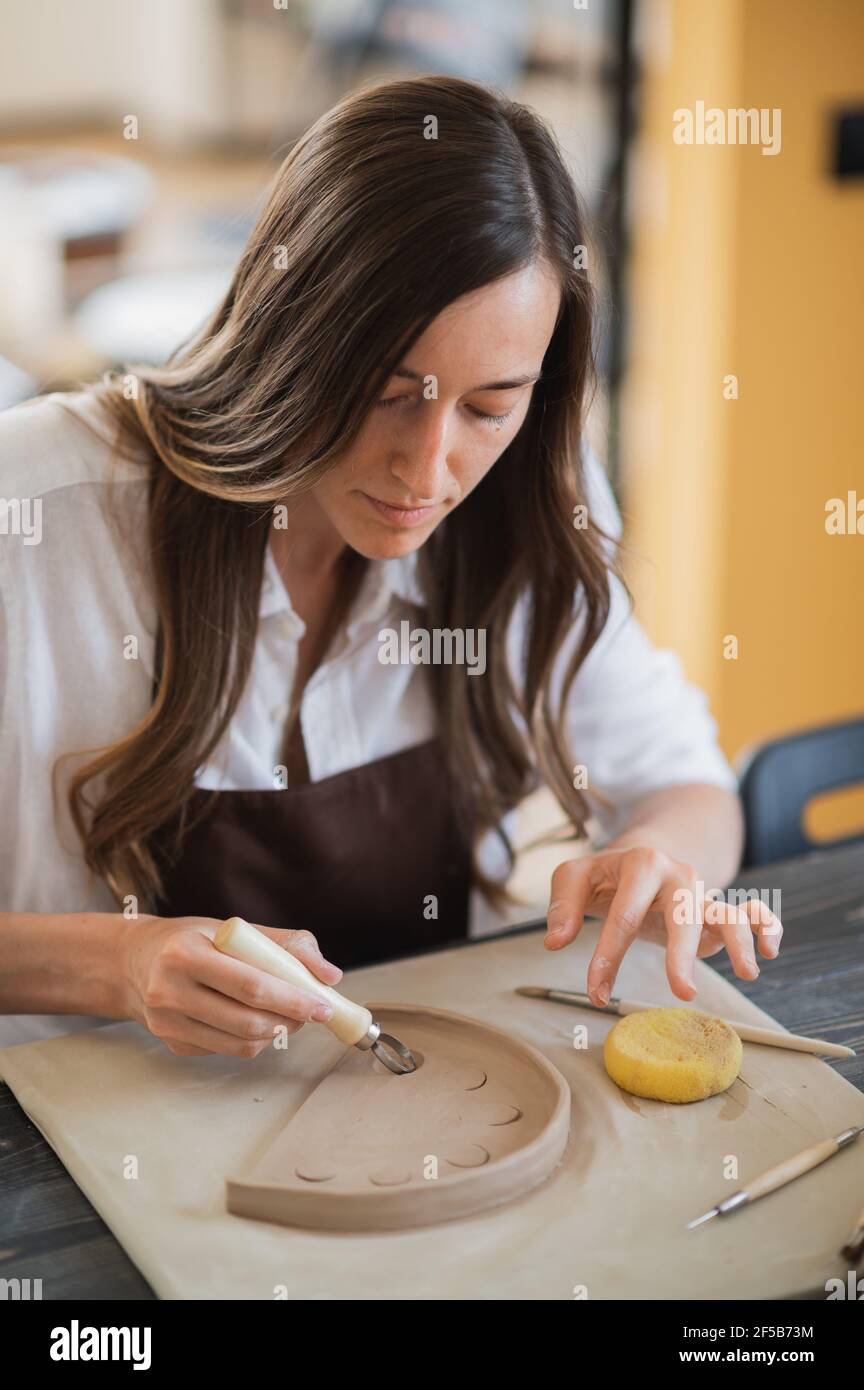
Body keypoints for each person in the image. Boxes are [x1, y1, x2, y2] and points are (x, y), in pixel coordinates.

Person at [0, 75, 781, 1054]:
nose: (428, 466)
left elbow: (685, 779)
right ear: (292, 340)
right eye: (382, 393)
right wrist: (114, 963)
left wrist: (661, 856)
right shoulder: (33, 511)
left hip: (417, 1105)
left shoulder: (526, 501)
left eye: (490, 406)